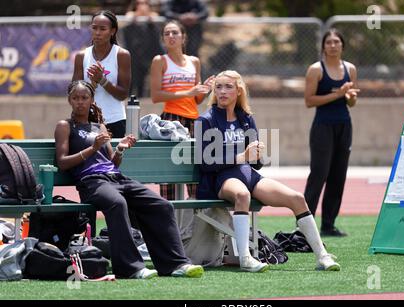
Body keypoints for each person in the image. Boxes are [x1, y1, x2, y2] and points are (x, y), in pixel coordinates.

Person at [54, 80, 204, 279]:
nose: (80, 102)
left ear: (91, 100)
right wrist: (92, 148)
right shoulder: (65, 126)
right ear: (69, 100)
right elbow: (62, 162)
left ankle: (175, 264)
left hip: (116, 178)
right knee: (117, 203)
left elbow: (112, 163)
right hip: (91, 182)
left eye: (85, 98)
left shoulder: (99, 126)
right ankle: (131, 268)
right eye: (76, 98)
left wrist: (120, 149)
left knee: (162, 205)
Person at [195, 70, 341, 273]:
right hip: (221, 179)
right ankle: (245, 258)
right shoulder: (205, 120)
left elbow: (254, 164)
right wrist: (242, 157)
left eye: (228, 87)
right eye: (218, 87)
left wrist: (258, 156)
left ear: (238, 91)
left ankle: (322, 257)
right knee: (242, 195)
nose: (222, 91)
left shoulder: (245, 118)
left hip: (248, 175)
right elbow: (204, 162)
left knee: (297, 198)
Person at [303, 29, 360, 237]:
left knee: (338, 175)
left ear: (343, 45)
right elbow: (309, 101)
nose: (333, 45)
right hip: (322, 127)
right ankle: (304, 224)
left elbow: (352, 102)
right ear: (323, 46)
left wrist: (349, 96)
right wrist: (338, 94)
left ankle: (328, 225)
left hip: (344, 125)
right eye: (329, 42)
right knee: (319, 174)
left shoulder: (350, 69)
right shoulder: (316, 70)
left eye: (337, 42)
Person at [150, 20, 213, 200]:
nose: (171, 36)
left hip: (194, 121)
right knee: (169, 175)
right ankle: (167, 222)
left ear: (183, 37)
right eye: (167, 33)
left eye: (175, 33)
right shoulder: (160, 61)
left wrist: (205, 89)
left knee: (194, 172)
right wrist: (189, 91)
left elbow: (197, 99)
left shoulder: (194, 61)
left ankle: (194, 221)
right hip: (170, 120)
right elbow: (156, 96)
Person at [72, 10, 130, 138]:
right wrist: (91, 85)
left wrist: (102, 80)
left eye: (103, 29)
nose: (97, 33)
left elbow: (123, 95)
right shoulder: (81, 56)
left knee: (112, 158)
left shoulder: (121, 55)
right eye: (94, 28)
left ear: (112, 31)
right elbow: (73, 94)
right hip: (86, 120)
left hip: (115, 120)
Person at [122, 0, 163, 98]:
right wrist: (135, 16)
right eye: (139, 3)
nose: (142, 6)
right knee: (131, 81)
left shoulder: (152, 16)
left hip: (147, 54)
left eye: (145, 3)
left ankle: (142, 100)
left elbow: (156, 24)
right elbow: (125, 22)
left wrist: (148, 17)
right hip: (133, 53)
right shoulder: (131, 16)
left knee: (142, 82)